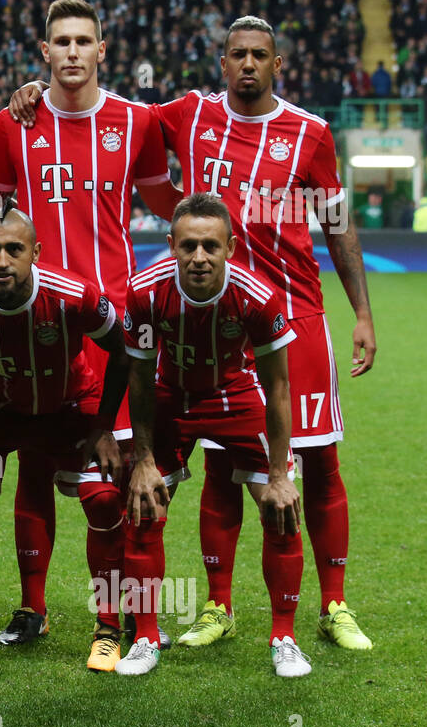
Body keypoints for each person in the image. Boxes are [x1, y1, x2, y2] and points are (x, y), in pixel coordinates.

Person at [13, 16, 378, 650]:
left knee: (315, 461)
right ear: (221, 60)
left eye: (258, 55)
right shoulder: (189, 115)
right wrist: (38, 91)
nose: (246, 65)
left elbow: (338, 224)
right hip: (205, 318)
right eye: (236, 54)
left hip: (294, 312)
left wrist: (363, 314)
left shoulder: (311, 134)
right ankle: (218, 605)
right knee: (220, 464)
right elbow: (105, 107)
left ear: (276, 64)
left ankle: (336, 603)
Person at [0, 0, 180, 662]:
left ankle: (114, 616)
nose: (71, 52)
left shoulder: (138, 121)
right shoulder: (12, 124)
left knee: (107, 481)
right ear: (44, 53)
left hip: (113, 329)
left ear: (102, 50)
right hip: (37, 323)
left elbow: (164, 202)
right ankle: (32, 608)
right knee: (36, 465)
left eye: (82, 41)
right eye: (59, 42)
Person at [0, 207, 128, 670]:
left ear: (35, 252)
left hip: (69, 404)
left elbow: (123, 349)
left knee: (104, 498)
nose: (2, 261)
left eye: (14, 249)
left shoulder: (73, 296)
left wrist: (104, 427)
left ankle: (110, 628)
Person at [122, 193, 306, 677]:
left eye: (210, 246)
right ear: (171, 245)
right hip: (170, 397)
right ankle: (143, 638)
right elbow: (138, 379)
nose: (198, 257)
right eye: (188, 246)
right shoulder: (144, 292)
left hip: (236, 397)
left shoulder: (259, 297)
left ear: (231, 247)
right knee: (144, 507)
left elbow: (279, 386)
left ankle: (284, 637)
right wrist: (142, 459)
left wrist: (280, 471)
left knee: (281, 506)